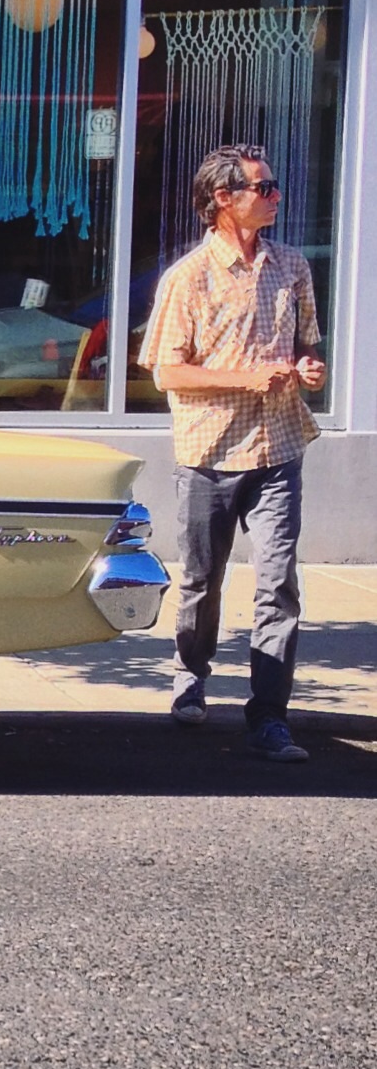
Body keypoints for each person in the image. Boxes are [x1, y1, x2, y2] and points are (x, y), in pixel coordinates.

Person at [136, 142, 326, 762]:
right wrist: (245, 378)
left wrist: (308, 368)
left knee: (278, 585)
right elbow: (167, 373)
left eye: (274, 187)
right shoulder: (187, 278)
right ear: (224, 198)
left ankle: (270, 716)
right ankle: (191, 676)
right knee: (200, 580)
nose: (275, 197)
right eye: (263, 188)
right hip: (210, 451)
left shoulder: (292, 265)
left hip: (279, 446)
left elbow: (305, 347)